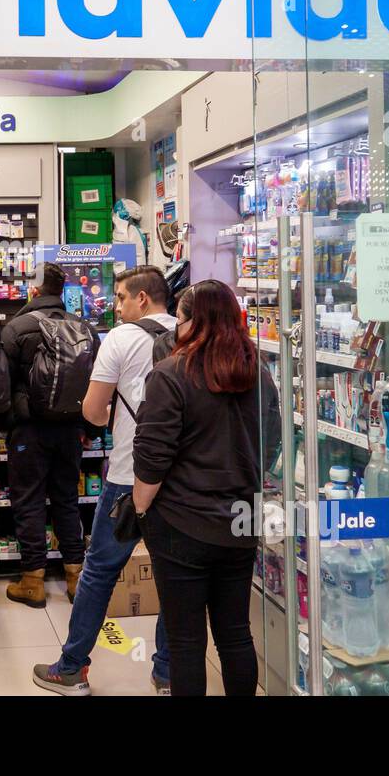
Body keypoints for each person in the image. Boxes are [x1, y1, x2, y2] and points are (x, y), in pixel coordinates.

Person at [32, 265, 175, 695]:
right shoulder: (188, 333)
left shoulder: (121, 337)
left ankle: (72, 668)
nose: (116, 306)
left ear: (142, 298)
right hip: (177, 479)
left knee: (99, 572)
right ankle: (167, 674)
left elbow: (93, 411)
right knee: (173, 576)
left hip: (129, 475)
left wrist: (113, 416)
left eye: (121, 298)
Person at [133, 280, 280, 696]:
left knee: (186, 641)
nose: (175, 330)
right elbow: (271, 442)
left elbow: (152, 457)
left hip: (182, 523)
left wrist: (141, 509)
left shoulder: (170, 374)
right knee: (235, 633)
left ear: (195, 323)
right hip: (240, 521)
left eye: (180, 320)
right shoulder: (258, 376)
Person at [0, 262, 90, 609]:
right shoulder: (82, 327)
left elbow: (2, 384)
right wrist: (89, 429)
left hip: (30, 430)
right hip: (70, 428)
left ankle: (33, 582)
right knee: (67, 499)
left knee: (29, 501)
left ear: (34, 290)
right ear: (62, 290)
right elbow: (93, 381)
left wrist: (6, 423)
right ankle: (75, 577)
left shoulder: (17, 327)